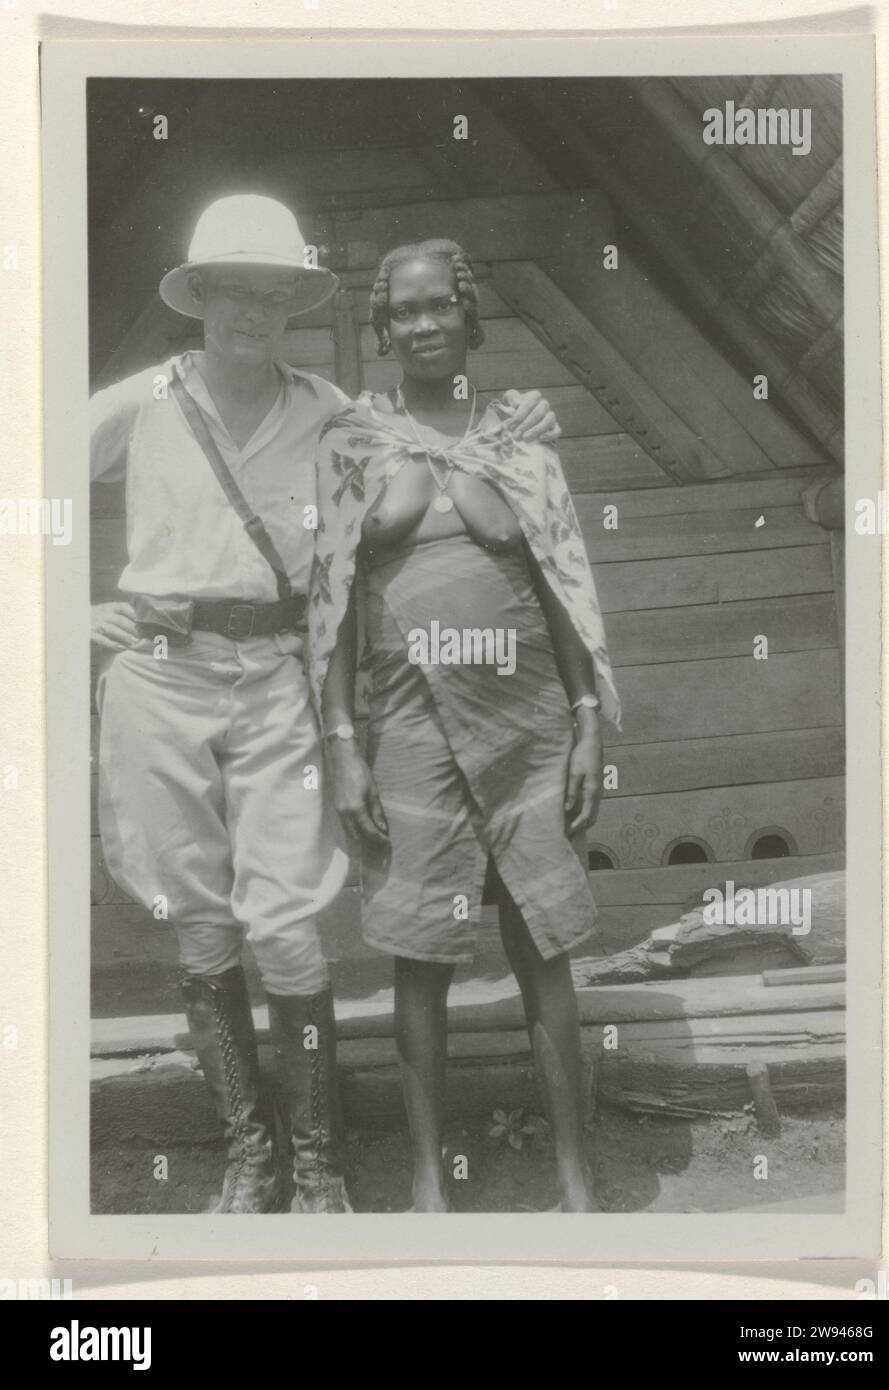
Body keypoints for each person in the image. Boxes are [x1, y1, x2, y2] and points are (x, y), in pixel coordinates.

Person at [90, 198, 559, 1215]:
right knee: (202, 931)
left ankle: (316, 1165)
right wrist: (63, 615)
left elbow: (427, 445)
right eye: (233, 289)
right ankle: (247, 1156)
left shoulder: (326, 412)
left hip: (274, 683)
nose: (251, 311)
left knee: (291, 931)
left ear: (291, 304)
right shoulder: (143, 402)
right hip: (160, 681)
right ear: (200, 296)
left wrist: (511, 421)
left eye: (272, 292)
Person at [310, 239, 620, 1212]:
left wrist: (585, 719)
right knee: (420, 952)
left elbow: (562, 585)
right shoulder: (353, 442)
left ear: (466, 313)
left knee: (543, 938)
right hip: (405, 724)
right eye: (403, 312)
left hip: (526, 719)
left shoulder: (521, 437)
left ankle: (573, 1179)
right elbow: (329, 607)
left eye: (439, 305)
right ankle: (423, 1182)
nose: (423, 323)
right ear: (383, 327)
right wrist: (343, 748)